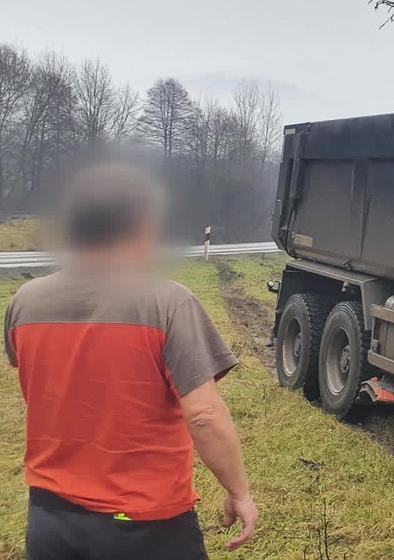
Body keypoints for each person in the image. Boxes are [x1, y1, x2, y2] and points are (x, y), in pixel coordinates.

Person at [2, 164, 258, 559]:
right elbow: (204, 415)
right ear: (141, 228)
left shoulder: (25, 301)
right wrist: (239, 491)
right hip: (143, 524)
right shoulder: (168, 303)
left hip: (50, 517)